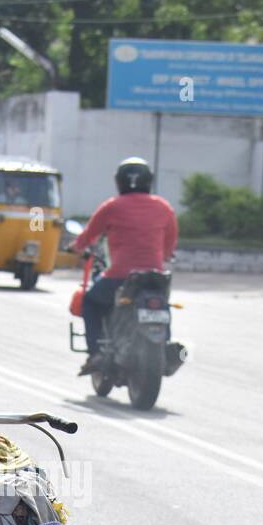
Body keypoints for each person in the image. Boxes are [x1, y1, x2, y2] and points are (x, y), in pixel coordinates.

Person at [71, 157, 178, 374]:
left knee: (90, 302)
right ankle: (166, 346)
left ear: (119, 182)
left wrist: (76, 246)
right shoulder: (163, 207)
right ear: (149, 181)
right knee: (162, 303)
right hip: (155, 277)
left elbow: (88, 236)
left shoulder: (111, 207)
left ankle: (96, 353)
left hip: (120, 276)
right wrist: (165, 255)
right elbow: (170, 242)